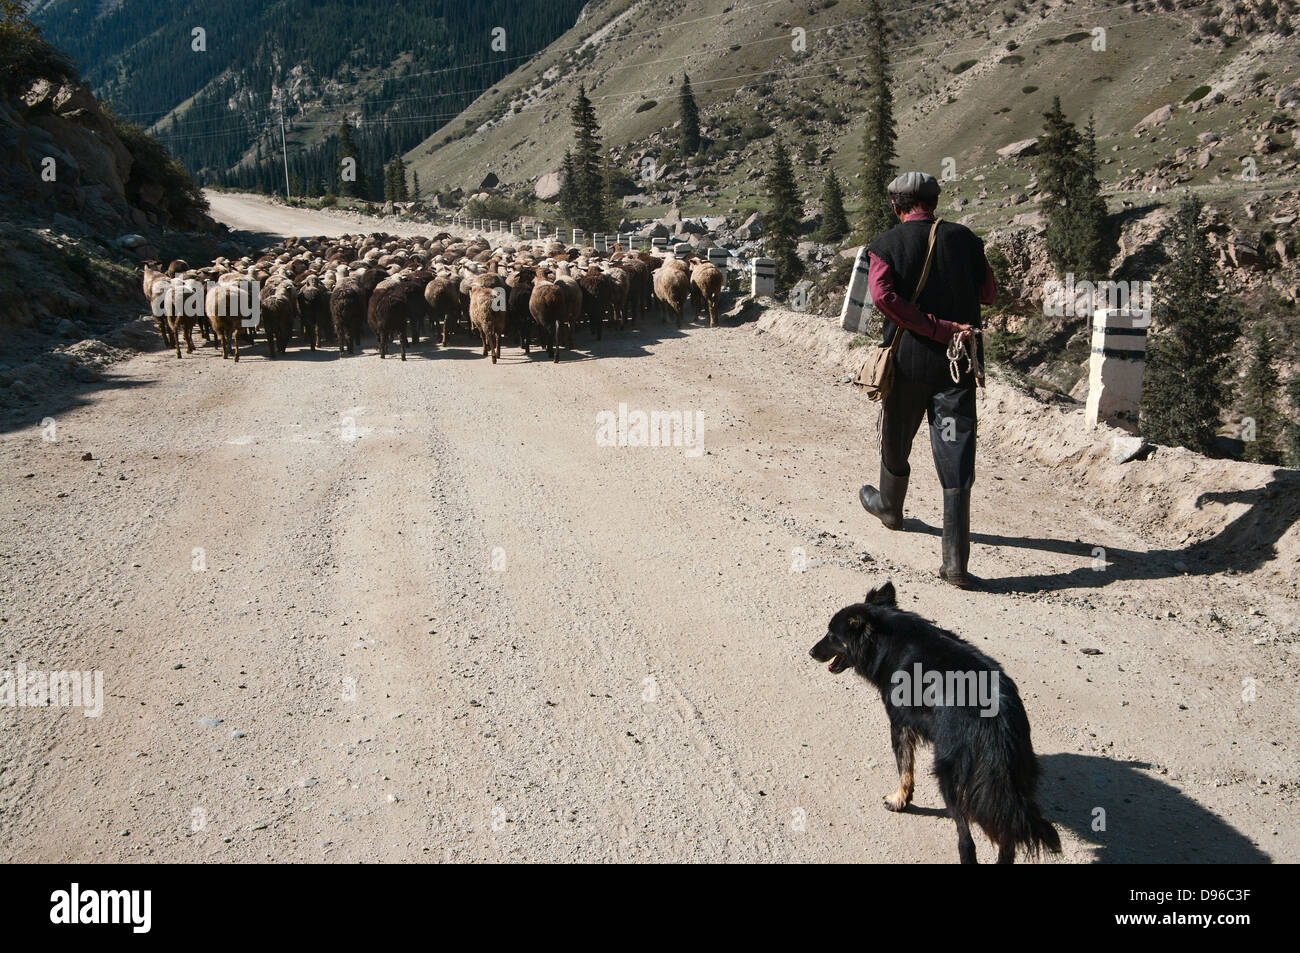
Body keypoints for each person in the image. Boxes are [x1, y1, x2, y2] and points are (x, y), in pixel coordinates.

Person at [858, 171, 996, 588]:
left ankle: (890, 508)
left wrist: (933, 326)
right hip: (957, 364)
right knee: (955, 449)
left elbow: (882, 297)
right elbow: (988, 293)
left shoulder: (885, 245)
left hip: (908, 361)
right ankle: (956, 564)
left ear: (897, 206)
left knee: (897, 434)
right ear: (934, 203)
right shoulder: (965, 239)